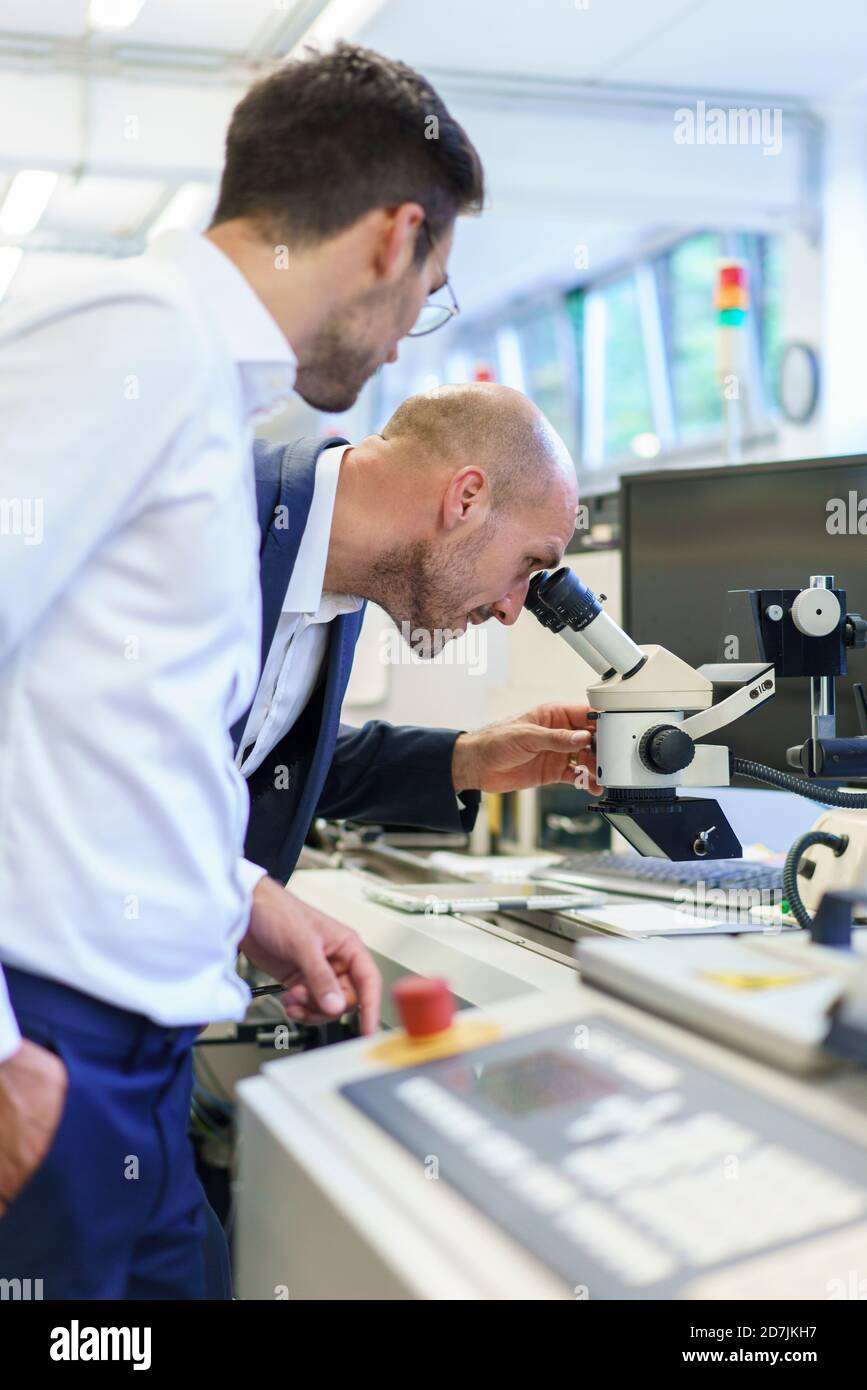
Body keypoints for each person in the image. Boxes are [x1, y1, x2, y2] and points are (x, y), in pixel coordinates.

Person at [0, 43, 483, 1299]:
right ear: (392, 238)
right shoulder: (139, 342)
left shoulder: (213, 403)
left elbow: (96, 734)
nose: (395, 352)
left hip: (139, 1050)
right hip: (54, 1046)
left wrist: (237, 900)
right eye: (425, 294)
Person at [237, 383, 599, 1031]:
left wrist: (466, 760)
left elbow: (260, 752)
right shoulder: (205, 512)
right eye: (528, 564)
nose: (512, 609)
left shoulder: (343, 584)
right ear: (465, 497)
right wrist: (238, 893)